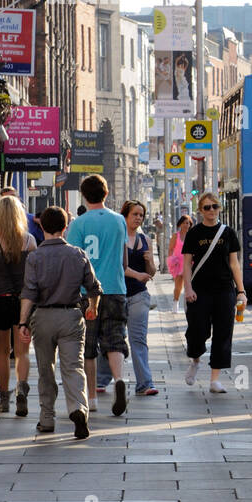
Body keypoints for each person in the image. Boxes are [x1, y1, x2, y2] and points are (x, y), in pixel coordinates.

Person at [17, 207, 99, 439]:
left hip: (42, 317)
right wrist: (93, 307)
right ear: (65, 227)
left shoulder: (34, 257)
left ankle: (46, 418)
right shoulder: (78, 254)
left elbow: (29, 292)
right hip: (71, 315)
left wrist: (23, 322)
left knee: (46, 368)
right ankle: (78, 409)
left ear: (41, 227)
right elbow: (93, 286)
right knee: (73, 367)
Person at [67, 175, 130, 417]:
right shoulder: (119, 221)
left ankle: (91, 397)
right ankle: (119, 379)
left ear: (84, 195)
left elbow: (75, 260)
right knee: (115, 338)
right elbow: (124, 258)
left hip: (87, 293)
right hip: (115, 288)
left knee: (88, 346)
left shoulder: (78, 224)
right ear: (106, 193)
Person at [181, 192, 244, 394]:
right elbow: (187, 265)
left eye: (214, 206)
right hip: (199, 290)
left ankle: (214, 379)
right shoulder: (194, 233)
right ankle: (196, 359)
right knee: (197, 331)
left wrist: (241, 291)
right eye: (206, 207)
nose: (211, 210)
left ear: (220, 208)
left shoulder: (228, 233)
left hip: (225, 289)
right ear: (200, 210)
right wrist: (188, 288)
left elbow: (234, 264)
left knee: (223, 333)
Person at [0, 194, 37, 414]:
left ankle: (3, 399)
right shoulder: (29, 240)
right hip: (23, 301)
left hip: (0, 299)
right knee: (23, 352)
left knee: (2, 351)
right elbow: (33, 273)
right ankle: (21, 391)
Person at [121, 200, 158, 395]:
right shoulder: (117, 237)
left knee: (138, 340)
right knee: (113, 339)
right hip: (117, 294)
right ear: (125, 215)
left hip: (139, 295)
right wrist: (137, 274)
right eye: (135, 214)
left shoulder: (146, 240)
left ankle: (145, 383)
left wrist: (150, 262)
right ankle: (101, 380)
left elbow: (151, 272)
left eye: (141, 215)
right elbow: (116, 267)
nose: (138, 218)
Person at [168, 213, 192, 311]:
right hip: (178, 263)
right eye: (185, 223)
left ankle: (188, 306)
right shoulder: (175, 236)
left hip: (189, 263)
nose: (186, 225)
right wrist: (171, 260)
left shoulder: (192, 236)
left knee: (189, 286)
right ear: (180, 224)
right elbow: (170, 249)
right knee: (178, 286)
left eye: (188, 223)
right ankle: (175, 303)